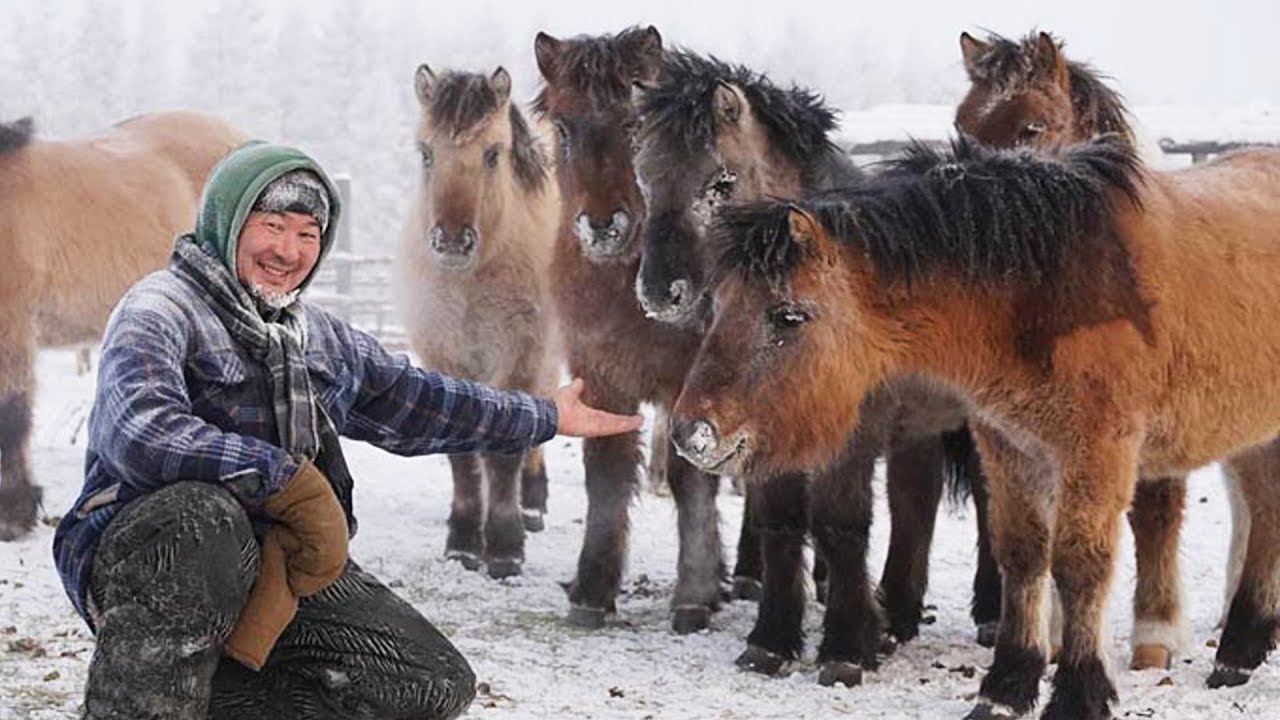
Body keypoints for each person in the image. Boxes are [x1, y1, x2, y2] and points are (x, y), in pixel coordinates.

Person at [52, 141, 643, 720]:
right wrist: (285, 481)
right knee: (201, 516)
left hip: (274, 562)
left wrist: (543, 415)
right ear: (226, 223)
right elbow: (143, 430)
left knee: (429, 682)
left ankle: (198, 693)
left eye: (308, 233)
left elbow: (417, 400)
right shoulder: (160, 309)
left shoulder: (311, 336)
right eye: (272, 226)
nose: (288, 250)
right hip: (150, 554)